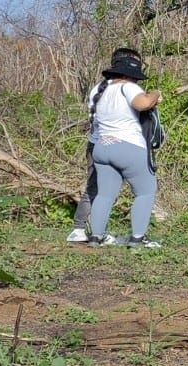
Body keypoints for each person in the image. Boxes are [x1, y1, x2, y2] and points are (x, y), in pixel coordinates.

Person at [85, 52, 163, 248]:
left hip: (102, 147)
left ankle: (96, 237)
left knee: (105, 194)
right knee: (145, 192)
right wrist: (155, 94)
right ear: (130, 74)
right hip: (128, 146)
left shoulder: (98, 89)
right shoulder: (129, 87)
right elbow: (143, 103)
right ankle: (137, 238)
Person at [67, 47, 142, 244]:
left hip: (95, 143)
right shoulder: (121, 89)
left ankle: (81, 228)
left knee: (95, 188)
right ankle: (90, 230)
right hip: (112, 144)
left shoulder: (99, 88)